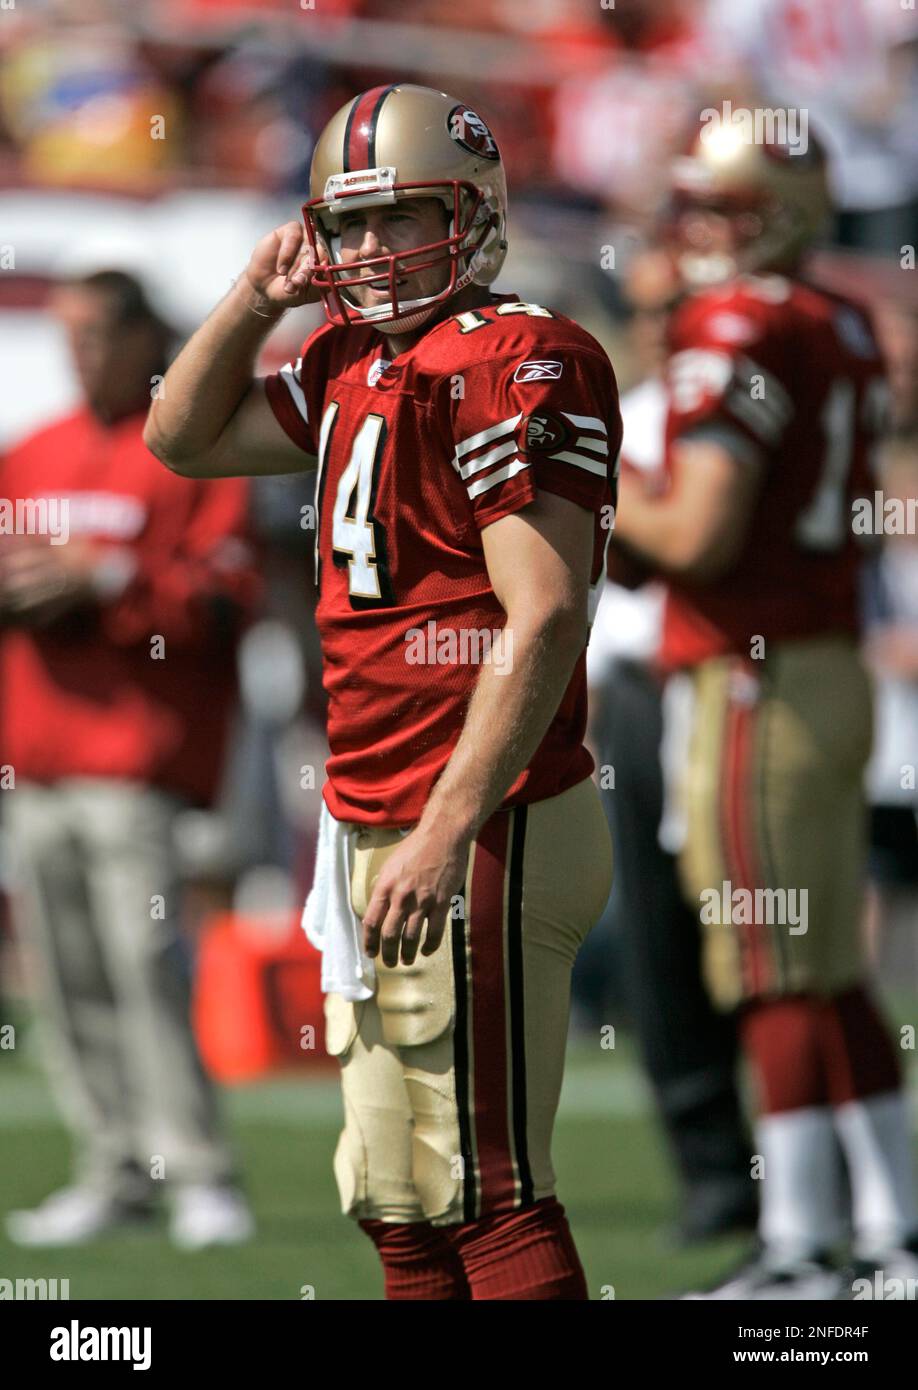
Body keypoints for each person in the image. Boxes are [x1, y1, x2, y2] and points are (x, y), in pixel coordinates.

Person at [145, 83, 622, 1300]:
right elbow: (180, 437)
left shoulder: (519, 354)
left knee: (490, 1187)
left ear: (473, 214)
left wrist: (448, 824)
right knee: (396, 1193)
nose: (368, 250)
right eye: (346, 226)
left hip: (482, 815)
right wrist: (257, 296)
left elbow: (548, 612)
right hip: (369, 810)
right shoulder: (351, 355)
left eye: (400, 217)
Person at [613, 121, 918, 1298]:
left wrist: (577, 479)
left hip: (757, 670)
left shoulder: (736, 323)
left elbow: (697, 531)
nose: (695, 234)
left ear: (770, 212)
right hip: (824, 661)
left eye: (718, 209)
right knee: (829, 962)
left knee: (770, 963)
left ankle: (800, 1243)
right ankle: (891, 1230)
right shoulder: (837, 315)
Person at [1, 270, 257, 1250]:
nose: (79, 353)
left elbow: (226, 597)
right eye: (66, 333)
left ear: (145, 336)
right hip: (38, 753)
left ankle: (198, 1168)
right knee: (63, 979)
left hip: (137, 759)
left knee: (145, 966)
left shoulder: (191, 443)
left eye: (97, 332)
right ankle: (113, 1166)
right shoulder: (30, 453)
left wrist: (105, 579)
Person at [586, 248, 756, 1245]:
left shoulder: (739, 404)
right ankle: (711, 1170)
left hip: (731, 679)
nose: (656, 323)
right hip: (642, 691)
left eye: (675, 304)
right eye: (642, 308)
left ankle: (804, 1159)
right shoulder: (629, 417)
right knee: (660, 946)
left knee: (764, 941)